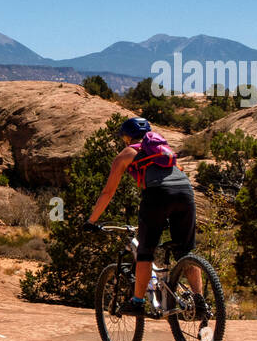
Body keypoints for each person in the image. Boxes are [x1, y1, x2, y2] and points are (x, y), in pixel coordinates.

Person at [85, 117, 206, 317]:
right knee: (185, 252)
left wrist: (92, 220)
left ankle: (138, 302)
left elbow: (108, 192)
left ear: (127, 137)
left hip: (157, 195)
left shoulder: (127, 153)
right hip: (186, 193)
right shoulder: (163, 149)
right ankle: (199, 302)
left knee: (145, 252)